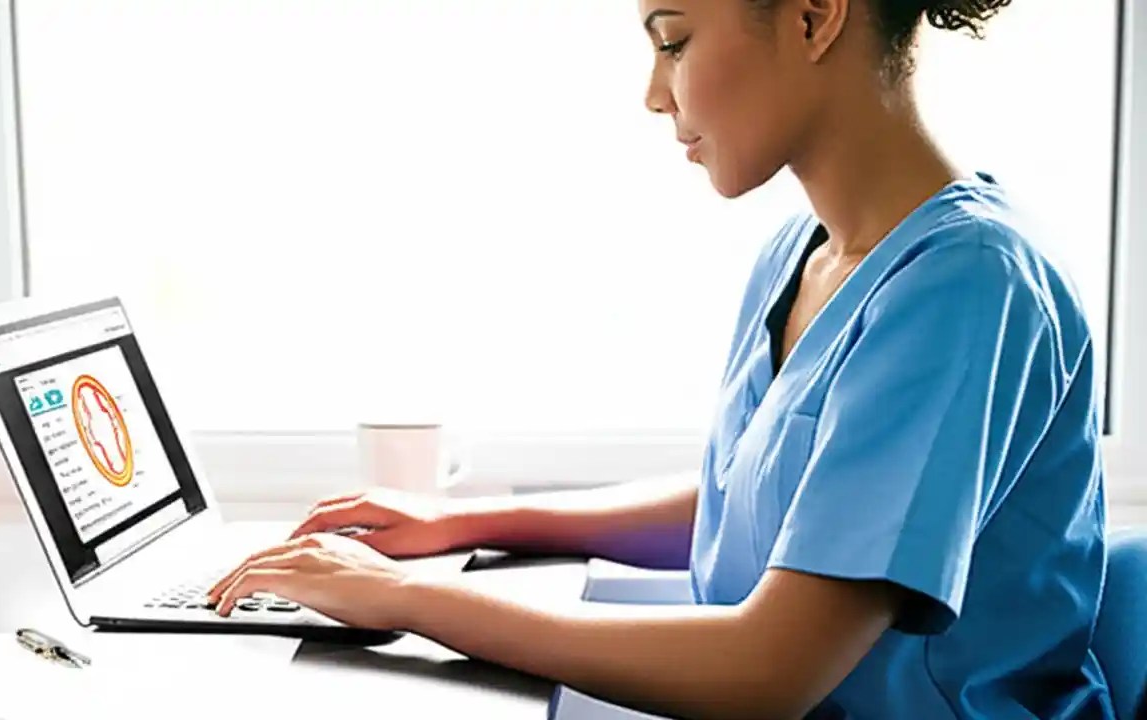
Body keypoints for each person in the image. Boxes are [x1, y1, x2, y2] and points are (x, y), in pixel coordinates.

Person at [208, 0, 1114, 717]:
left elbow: (768, 673)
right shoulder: (804, 253)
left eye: (673, 41)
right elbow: (755, 506)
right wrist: (470, 523)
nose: (654, 91)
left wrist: (403, 602)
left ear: (813, 15)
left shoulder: (967, 288)